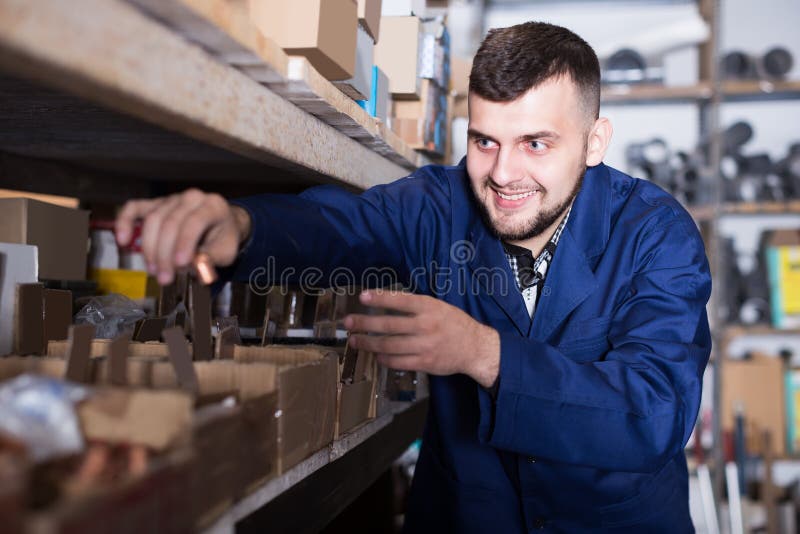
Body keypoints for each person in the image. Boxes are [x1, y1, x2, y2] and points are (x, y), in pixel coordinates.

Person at [116, 21, 711, 533]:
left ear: (594, 142)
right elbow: (339, 228)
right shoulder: (441, 205)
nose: (503, 174)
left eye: (535, 143)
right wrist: (241, 226)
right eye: (484, 141)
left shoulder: (656, 233)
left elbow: (654, 413)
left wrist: (483, 352)